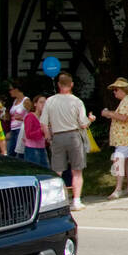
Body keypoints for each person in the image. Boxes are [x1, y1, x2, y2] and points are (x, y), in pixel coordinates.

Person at [41, 72, 96, 210]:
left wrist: (48, 137)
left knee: (57, 170)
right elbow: (83, 124)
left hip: (57, 136)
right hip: (73, 136)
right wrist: (91, 119)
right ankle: (76, 201)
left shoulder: (50, 101)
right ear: (71, 85)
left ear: (59, 84)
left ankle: (54, 200)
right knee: (77, 170)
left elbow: (44, 123)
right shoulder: (77, 101)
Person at [101, 78, 128, 199]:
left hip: (126, 138)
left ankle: (118, 189)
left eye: (116, 89)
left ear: (123, 90)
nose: (114, 92)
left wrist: (107, 113)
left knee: (118, 159)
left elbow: (123, 117)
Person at [22, 95, 49, 168]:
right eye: (41, 102)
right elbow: (28, 134)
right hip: (32, 149)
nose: (43, 105)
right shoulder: (30, 116)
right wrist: (41, 130)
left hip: (42, 148)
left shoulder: (44, 118)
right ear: (35, 104)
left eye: (45, 103)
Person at [5, 81, 31, 155]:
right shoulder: (15, 101)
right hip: (13, 129)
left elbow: (33, 115)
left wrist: (23, 118)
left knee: (19, 152)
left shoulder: (26, 101)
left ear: (16, 89)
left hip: (21, 128)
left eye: (11, 89)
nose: (10, 92)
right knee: (11, 151)